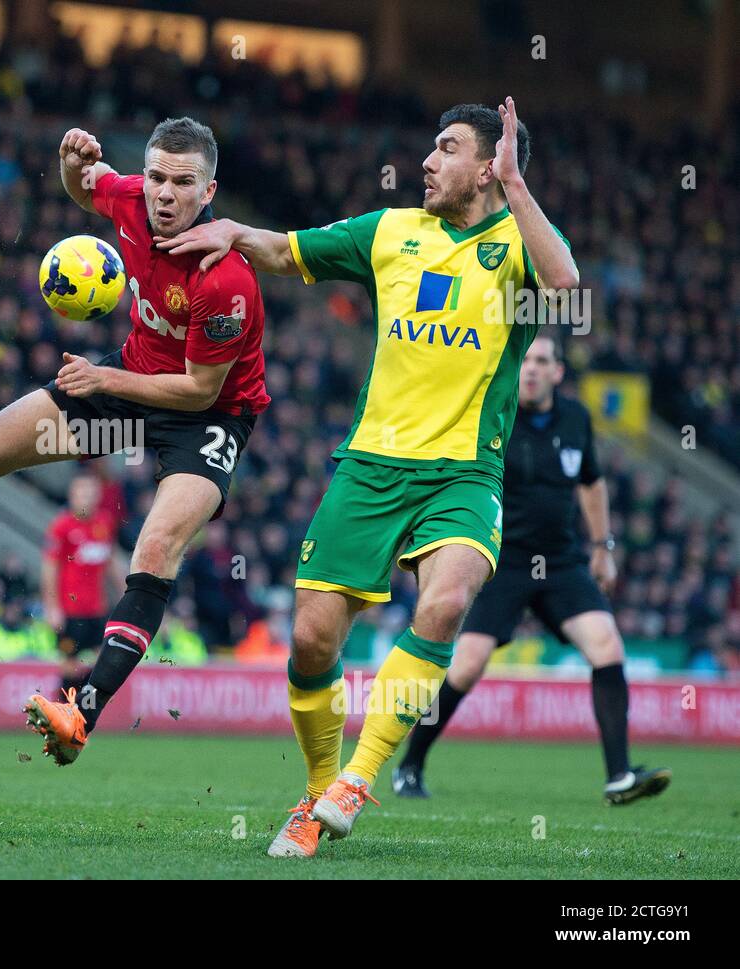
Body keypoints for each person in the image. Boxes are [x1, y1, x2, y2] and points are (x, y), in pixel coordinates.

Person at [162, 98, 580, 857]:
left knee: (447, 599)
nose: (427, 160)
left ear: (487, 166)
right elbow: (290, 251)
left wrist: (518, 189)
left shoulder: (517, 248)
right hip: (370, 467)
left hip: (463, 473)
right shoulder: (390, 232)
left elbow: (566, 285)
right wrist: (233, 232)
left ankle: (359, 775)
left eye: (447, 148)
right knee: (313, 643)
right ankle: (320, 787)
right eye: (430, 145)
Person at [0, 117, 270, 764]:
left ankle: (81, 712)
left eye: (182, 183)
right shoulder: (136, 199)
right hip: (129, 390)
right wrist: (69, 162)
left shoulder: (226, 279)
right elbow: (88, 190)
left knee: (156, 546)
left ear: (209, 190)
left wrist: (104, 375)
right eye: (158, 177)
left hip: (208, 418)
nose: (164, 194)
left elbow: (198, 390)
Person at [393, 336, 671, 804]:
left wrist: (603, 547)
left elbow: (591, 482)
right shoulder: (490, 410)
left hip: (561, 560)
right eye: (525, 361)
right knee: (468, 663)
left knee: (606, 645)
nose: (531, 370)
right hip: (502, 560)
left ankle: (619, 777)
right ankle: (410, 766)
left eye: (542, 361)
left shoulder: (577, 418)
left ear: (559, 372)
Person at [42, 472, 124, 696]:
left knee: (100, 658)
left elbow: (111, 560)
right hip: (70, 611)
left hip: (97, 609)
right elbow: (50, 568)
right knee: (69, 663)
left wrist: (125, 592)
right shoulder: (62, 526)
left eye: (91, 492)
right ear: (72, 495)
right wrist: (52, 607)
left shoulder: (104, 523)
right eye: (82, 492)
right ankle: (62, 710)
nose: (87, 497)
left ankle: (79, 709)